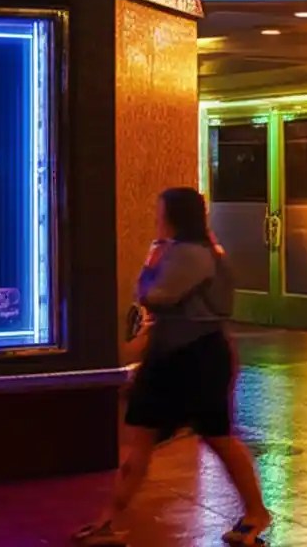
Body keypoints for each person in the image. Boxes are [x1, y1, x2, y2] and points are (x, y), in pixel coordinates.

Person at [74, 187, 269, 547]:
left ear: (175, 216)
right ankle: (108, 519)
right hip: (176, 354)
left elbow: (154, 296)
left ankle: (256, 512)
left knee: (216, 437)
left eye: (160, 211)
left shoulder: (190, 254)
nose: (156, 217)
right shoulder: (199, 250)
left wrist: (150, 267)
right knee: (146, 438)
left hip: (195, 357)